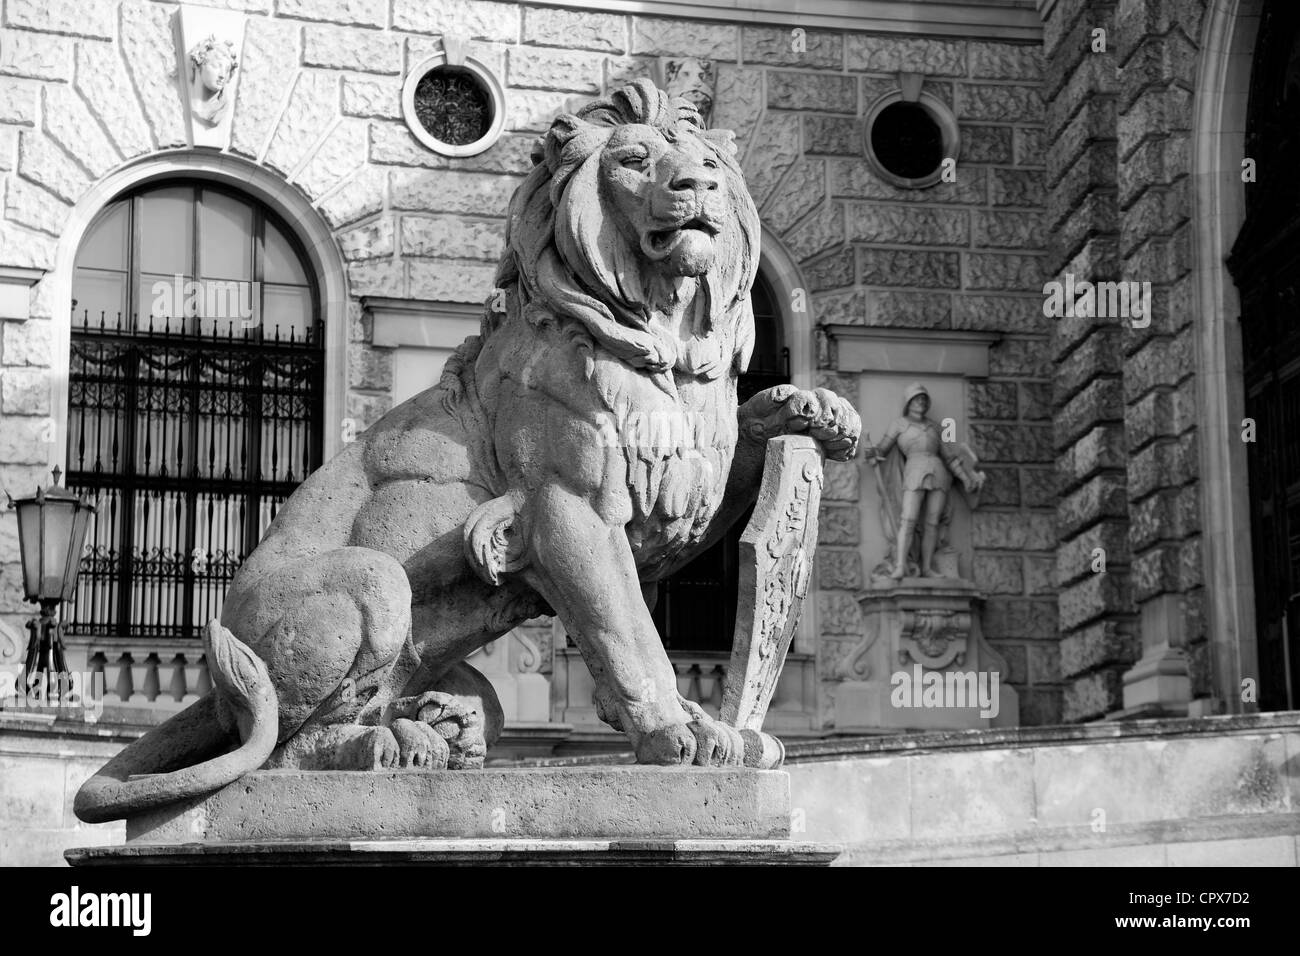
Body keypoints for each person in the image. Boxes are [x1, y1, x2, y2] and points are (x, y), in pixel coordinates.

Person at [862, 382, 984, 579]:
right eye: (917, 399)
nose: (921, 402)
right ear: (909, 402)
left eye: (924, 399)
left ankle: (926, 567)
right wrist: (871, 450)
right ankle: (901, 565)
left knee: (932, 523)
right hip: (914, 471)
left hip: (939, 473)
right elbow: (882, 448)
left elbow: (949, 456)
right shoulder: (899, 424)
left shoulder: (937, 427)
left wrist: (964, 478)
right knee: (908, 519)